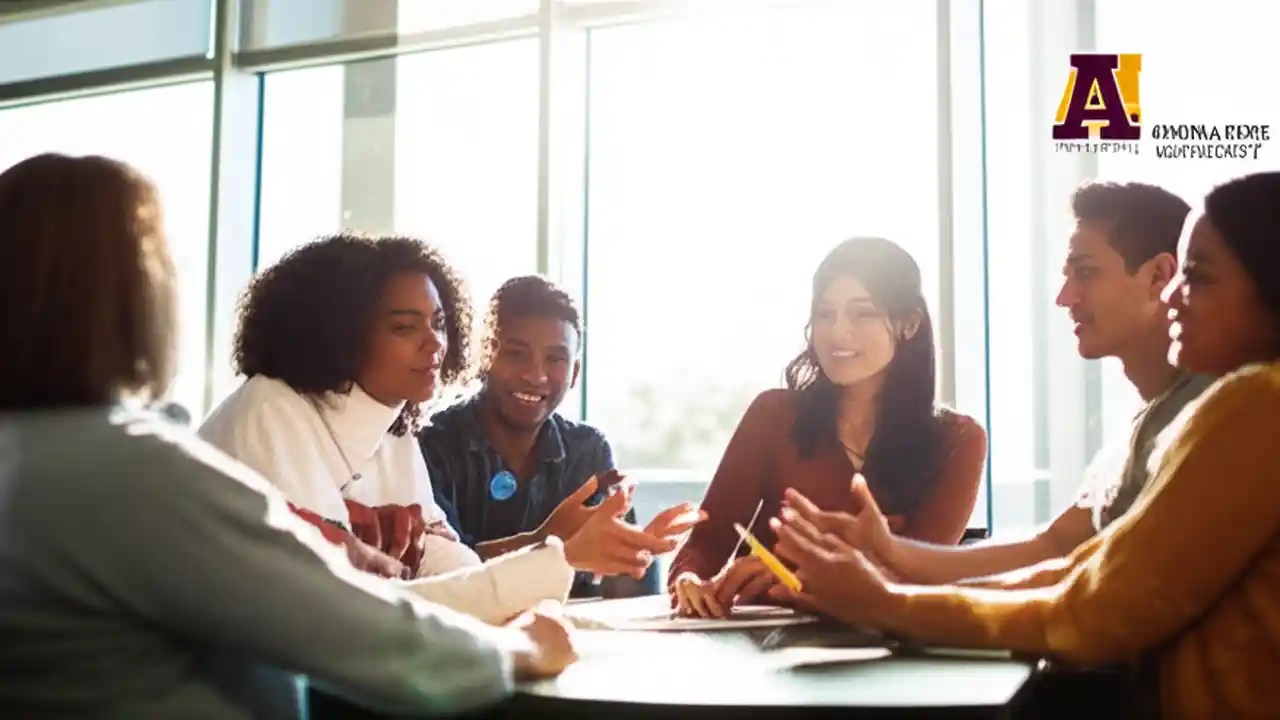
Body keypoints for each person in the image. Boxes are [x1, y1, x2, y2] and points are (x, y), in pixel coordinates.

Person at [0, 153, 575, 718]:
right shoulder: (134, 473)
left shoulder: (32, 458)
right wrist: (517, 648)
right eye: (163, 265)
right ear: (130, 297)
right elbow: (355, 633)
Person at [771, 172, 1280, 719]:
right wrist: (890, 572)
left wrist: (888, 603)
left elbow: (1090, 609)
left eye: (1198, 278)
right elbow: (1071, 564)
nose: (1175, 292)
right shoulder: (1196, 413)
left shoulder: (1258, 400)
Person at [198, 234, 678, 621]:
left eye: (439, 323)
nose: (435, 343)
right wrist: (562, 555)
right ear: (340, 331)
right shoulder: (270, 413)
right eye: (406, 327)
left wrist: (560, 559)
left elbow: (456, 572)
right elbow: (346, 614)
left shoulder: (394, 434)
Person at [826, 182, 1212, 585]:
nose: (1065, 297)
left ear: (1159, 277)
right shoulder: (1145, 428)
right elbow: (1051, 547)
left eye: (1085, 273)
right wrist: (885, 556)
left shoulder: (1212, 415)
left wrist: (888, 590)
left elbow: (1087, 588)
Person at [669, 237, 988, 617]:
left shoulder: (959, 441)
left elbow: (917, 576)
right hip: (761, 644)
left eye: (862, 314)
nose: (838, 332)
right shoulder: (773, 414)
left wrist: (791, 571)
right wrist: (687, 581)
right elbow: (705, 543)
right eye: (825, 314)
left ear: (908, 324)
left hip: (885, 652)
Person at [423, 275, 700, 598]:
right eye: (515, 354)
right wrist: (551, 541)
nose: (535, 375)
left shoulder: (588, 451)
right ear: (484, 357)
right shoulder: (434, 445)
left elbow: (620, 579)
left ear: (575, 373)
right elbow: (441, 575)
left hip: (571, 636)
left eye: (555, 359)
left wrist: (637, 550)